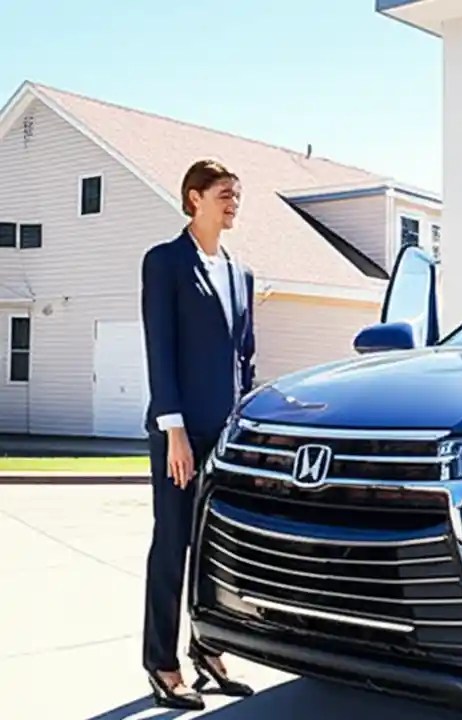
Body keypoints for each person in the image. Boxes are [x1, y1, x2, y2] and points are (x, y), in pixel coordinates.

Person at [140, 159, 256, 709]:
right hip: (179, 435)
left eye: (237, 195)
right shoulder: (164, 263)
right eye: (225, 194)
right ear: (195, 199)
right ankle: (162, 663)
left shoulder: (241, 273)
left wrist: (244, 424)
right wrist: (175, 433)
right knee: (173, 543)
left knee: (214, 551)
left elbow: (244, 359)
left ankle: (206, 649)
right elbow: (159, 350)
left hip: (225, 434)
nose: (234, 203)